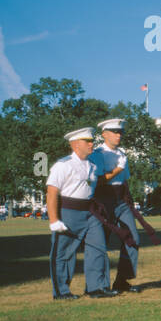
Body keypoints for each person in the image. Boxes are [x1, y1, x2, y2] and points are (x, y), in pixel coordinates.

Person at [45, 127, 116, 299]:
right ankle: (61, 291)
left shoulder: (92, 165)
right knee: (64, 252)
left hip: (90, 212)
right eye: (88, 141)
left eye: (92, 141)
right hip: (69, 211)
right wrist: (54, 220)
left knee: (98, 248)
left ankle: (96, 287)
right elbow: (52, 192)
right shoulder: (63, 165)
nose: (92, 144)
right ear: (76, 144)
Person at [89, 118, 145, 293]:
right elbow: (96, 182)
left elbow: (125, 181)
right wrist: (117, 171)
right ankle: (98, 285)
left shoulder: (122, 154)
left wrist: (129, 198)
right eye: (115, 132)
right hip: (103, 200)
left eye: (120, 132)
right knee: (100, 242)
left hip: (121, 200)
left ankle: (122, 281)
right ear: (104, 134)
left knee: (133, 238)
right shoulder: (97, 154)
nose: (119, 135)